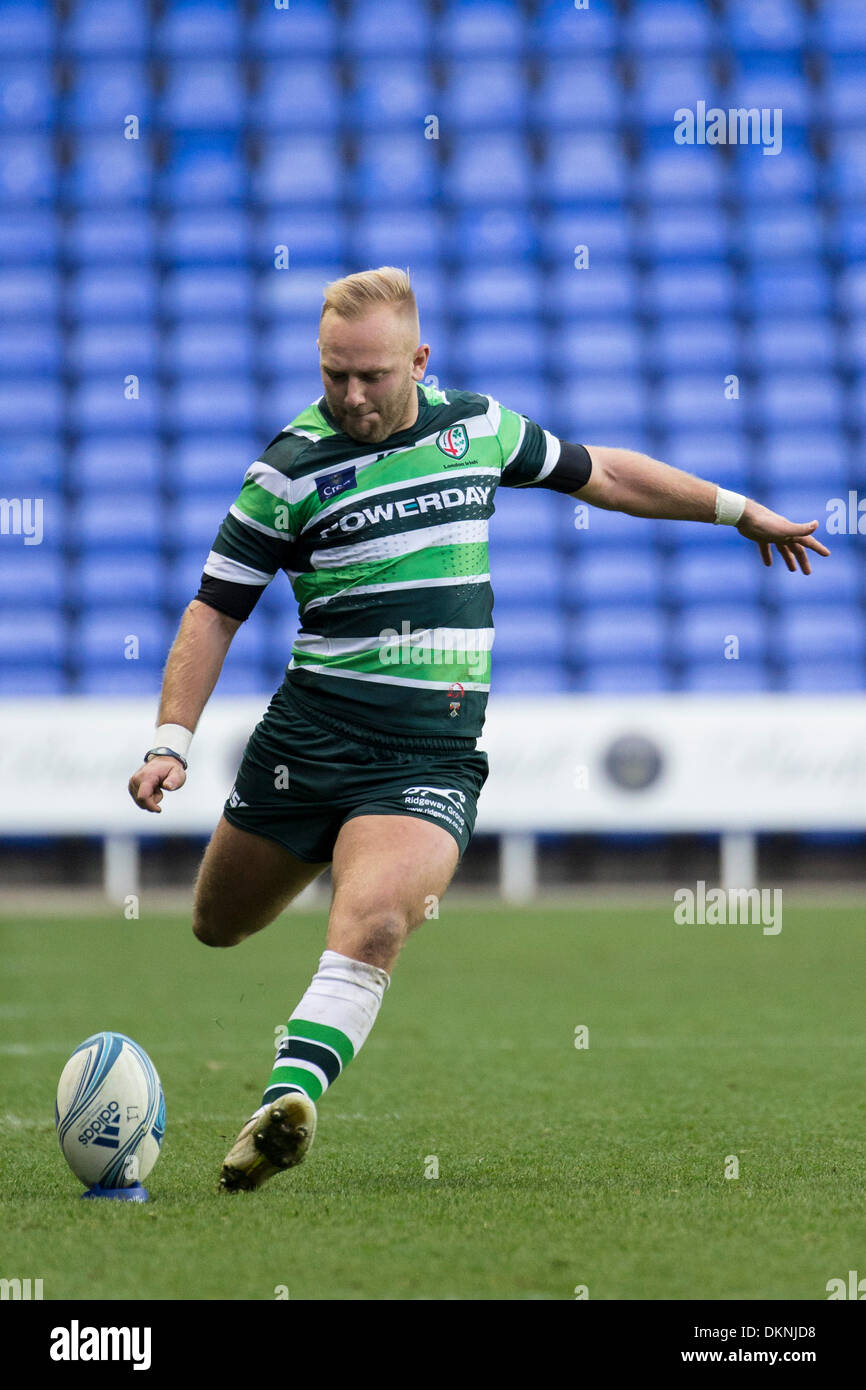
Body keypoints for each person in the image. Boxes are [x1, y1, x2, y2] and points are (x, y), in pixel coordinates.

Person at [127, 266, 830, 1192]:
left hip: (426, 755)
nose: (352, 396)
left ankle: (287, 1102)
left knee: (376, 920)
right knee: (218, 926)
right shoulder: (286, 470)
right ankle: (299, 917)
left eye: (373, 376)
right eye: (335, 374)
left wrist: (738, 513)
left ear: (418, 359)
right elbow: (215, 611)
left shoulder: (478, 429)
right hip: (305, 745)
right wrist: (170, 740)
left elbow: (607, 473)